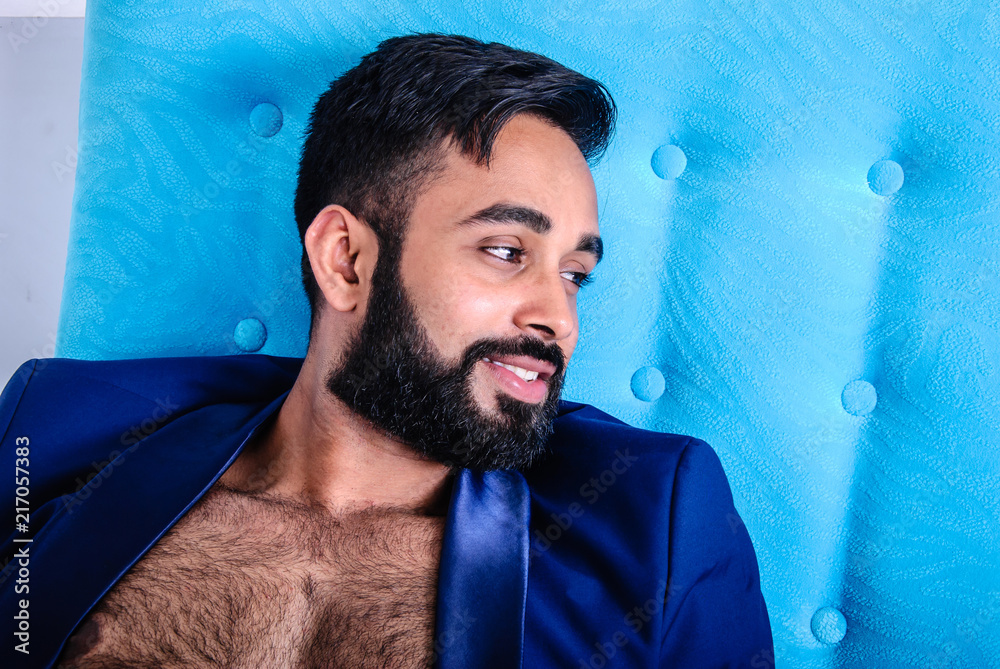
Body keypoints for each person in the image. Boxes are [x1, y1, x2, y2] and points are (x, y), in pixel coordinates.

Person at [0, 32, 772, 668]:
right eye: (507, 251)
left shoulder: (657, 523)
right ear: (346, 260)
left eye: (575, 273)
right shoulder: (52, 435)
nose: (558, 318)